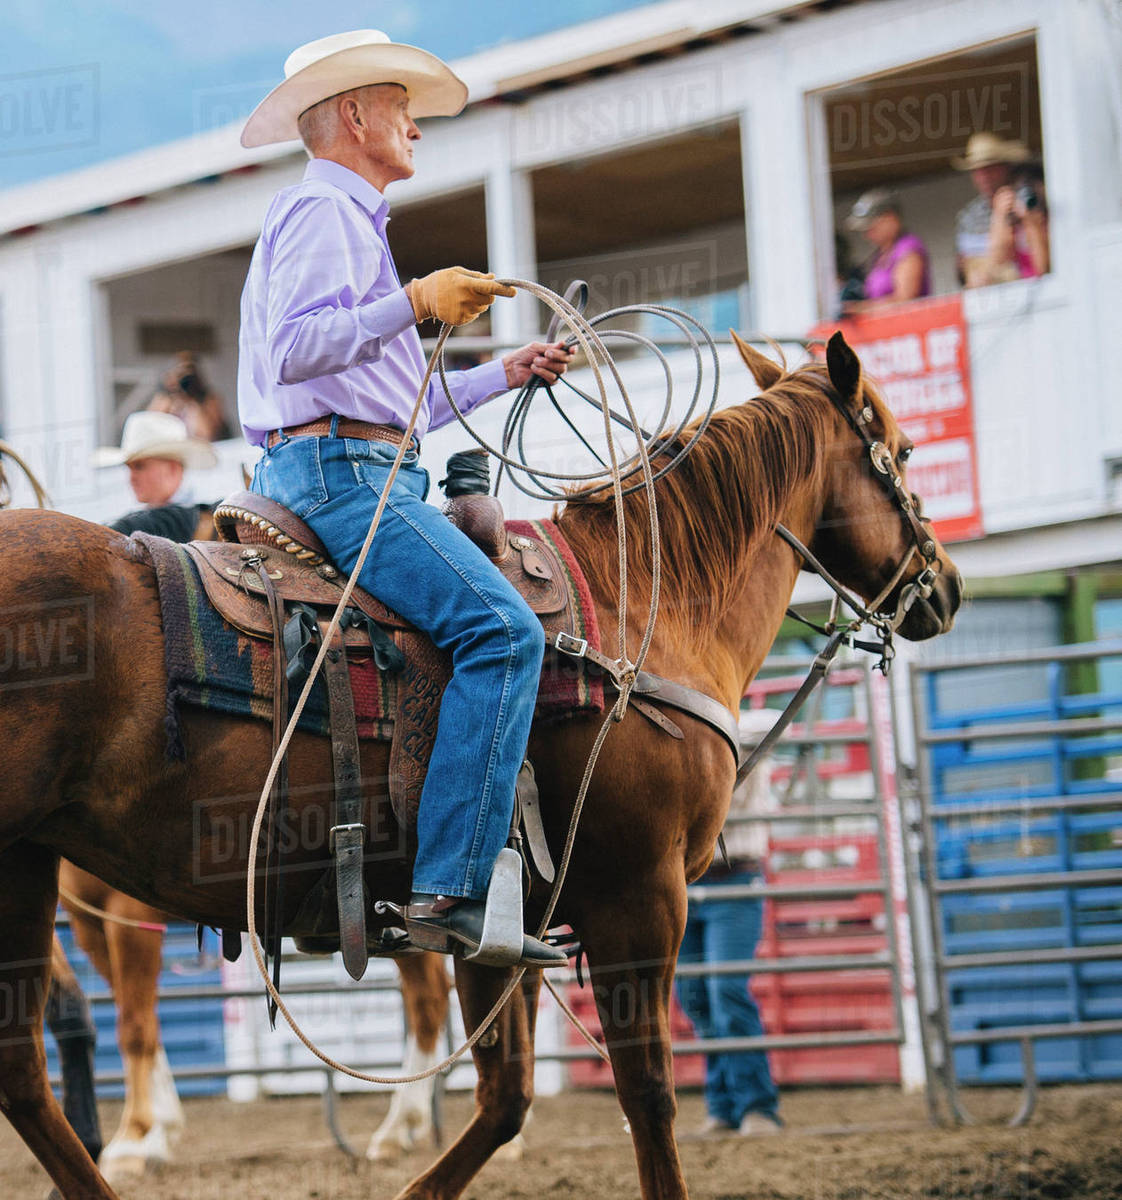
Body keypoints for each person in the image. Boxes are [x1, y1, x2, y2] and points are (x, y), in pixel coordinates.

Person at [236, 30, 575, 969]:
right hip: (344, 478)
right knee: (505, 633)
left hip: (349, 461)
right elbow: (297, 354)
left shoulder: (342, 221)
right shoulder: (322, 212)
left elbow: (393, 407)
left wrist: (504, 373)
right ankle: (453, 890)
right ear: (354, 114)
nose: (415, 124)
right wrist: (415, 302)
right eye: (400, 105)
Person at [676, 708, 782, 1137]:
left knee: (726, 990)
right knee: (696, 996)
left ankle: (757, 1106)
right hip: (687, 883)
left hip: (736, 877)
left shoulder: (740, 728)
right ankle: (723, 1108)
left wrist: (702, 723)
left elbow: (771, 721)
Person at [93, 410, 218, 540]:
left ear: (172, 469)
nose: (131, 478)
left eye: (139, 466)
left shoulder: (203, 520)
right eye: (129, 468)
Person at [953, 132, 1049, 288]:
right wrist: (999, 216)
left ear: (1006, 168)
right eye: (977, 171)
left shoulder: (1032, 201)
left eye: (991, 168)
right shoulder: (970, 217)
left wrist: (1030, 220)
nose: (984, 176)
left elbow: (1044, 267)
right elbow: (992, 266)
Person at [842, 189, 931, 312]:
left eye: (871, 227)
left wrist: (861, 309)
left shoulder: (908, 248)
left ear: (890, 218)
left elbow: (905, 299)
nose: (866, 235)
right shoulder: (879, 256)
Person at [148, 352, 233, 442]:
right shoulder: (163, 399)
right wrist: (171, 397)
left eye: (188, 373)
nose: (183, 379)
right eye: (179, 373)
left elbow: (208, 435)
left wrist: (194, 402)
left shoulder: (208, 399)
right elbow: (151, 427)